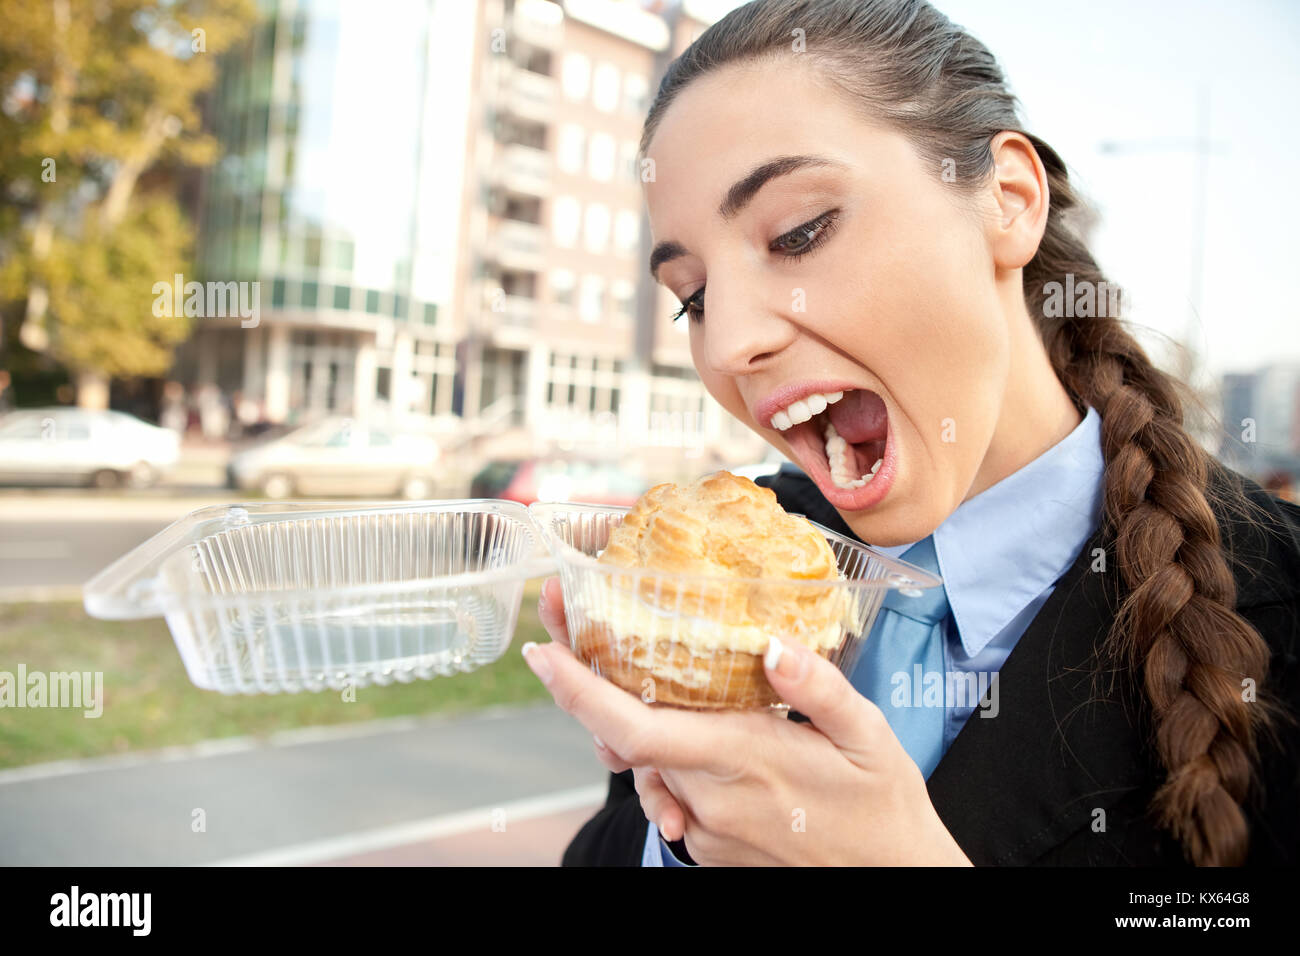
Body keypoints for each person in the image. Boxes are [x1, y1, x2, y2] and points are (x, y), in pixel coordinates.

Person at [520, 0, 1300, 866]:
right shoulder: (722, 585)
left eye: (799, 232)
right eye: (693, 297)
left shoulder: (1280, 608)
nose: (733, 341)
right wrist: (686, 838)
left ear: (1008, 199)